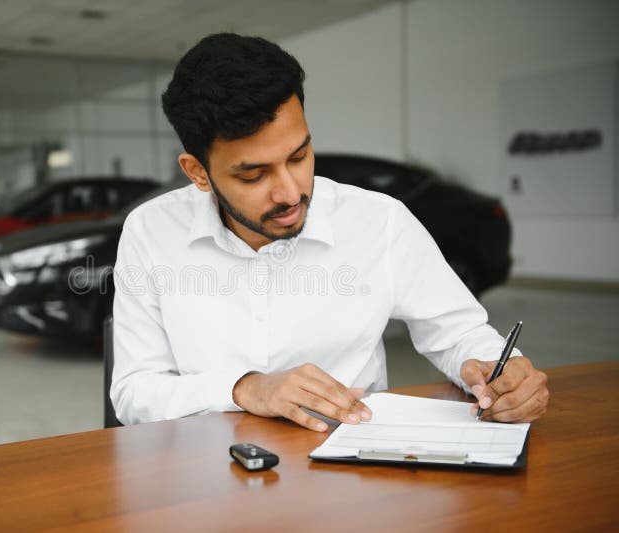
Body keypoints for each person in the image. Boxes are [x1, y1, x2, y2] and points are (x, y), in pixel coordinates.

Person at [110, 33, 549, 430]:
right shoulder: (150, 231)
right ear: (197, 172)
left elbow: (459, 333)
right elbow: (134, 393)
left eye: (299, 157)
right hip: (203, 472)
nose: (290, 192)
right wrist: (244, 389)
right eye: (253, 175)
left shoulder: (380, 221)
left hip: (352, 463)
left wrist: (499, 372)